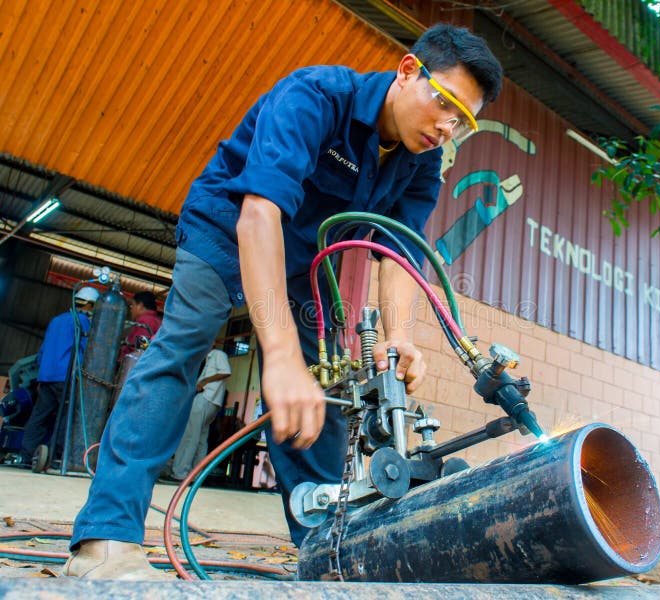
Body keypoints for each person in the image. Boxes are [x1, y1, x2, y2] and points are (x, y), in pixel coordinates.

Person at [64, 24, 502, 580]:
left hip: (301, 263)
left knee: (322, 385)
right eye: (444, 103)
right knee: (185, 345)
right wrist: (278, 353)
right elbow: (259, 215)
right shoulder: (316, 97)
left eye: (462, 120)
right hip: (226, 228)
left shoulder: (421, 164)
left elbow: (396, 253)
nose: (447, 126)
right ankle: (105, 538)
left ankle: (329, 553)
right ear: (409, 70)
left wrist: (400, 339)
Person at [18, 286, 100, 471]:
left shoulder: (56, 321)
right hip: (66, 377)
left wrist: (42, 373)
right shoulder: (81, 321)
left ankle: (26, 456)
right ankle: (55, 457)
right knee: (66, 416)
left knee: (39, 416)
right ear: (88, 305)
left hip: (46, 376)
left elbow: (43, 351)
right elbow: (88, 351)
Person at [168, 347, 231, 480]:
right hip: (211, 402)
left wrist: (204, 382)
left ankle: (181, 472)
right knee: (201, 439)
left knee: (190, 436)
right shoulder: (208, 359)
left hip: (206, 398)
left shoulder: (217, 354)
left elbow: (226, 371)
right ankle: (197, 474)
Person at [120, 291, 162, 357]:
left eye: (132, 305)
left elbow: (141, 350)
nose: (131, 309)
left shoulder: (146, 321)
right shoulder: (156, 321)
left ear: (140, 306)